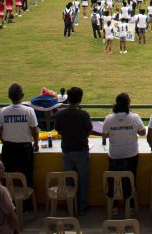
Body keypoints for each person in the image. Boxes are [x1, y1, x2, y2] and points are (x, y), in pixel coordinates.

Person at [54, 86, 92, 214]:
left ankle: (70, 206)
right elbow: (89, 130)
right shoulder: (84, 114)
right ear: (80, 99)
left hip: (67, 149)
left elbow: (58, 129)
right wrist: (81, 137)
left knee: (68, 179)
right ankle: (81, 207)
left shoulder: (60, 114)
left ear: (68, 99)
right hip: (81, 150)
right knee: (83, 180)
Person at [102, 93, 145, 201]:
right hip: (131, 154)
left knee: (113, 180)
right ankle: (130, 204)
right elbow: (142, 132)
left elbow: (104, 135)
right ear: (128, 104)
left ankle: (114, 205)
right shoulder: (135, 117)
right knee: (131, 179)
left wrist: (116, 131)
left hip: (114, 155)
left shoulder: (109, 118)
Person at [0, 83, 39, 190]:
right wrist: (36, 143)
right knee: (27, 176)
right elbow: (34, 130)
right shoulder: (29, 111)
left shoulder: (3, 111)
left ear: (9, 96)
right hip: (25, 148)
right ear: (22, 95)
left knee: (7, 176)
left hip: (8, 148)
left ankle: (8, 198)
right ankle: (27, 199)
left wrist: (4, 141)